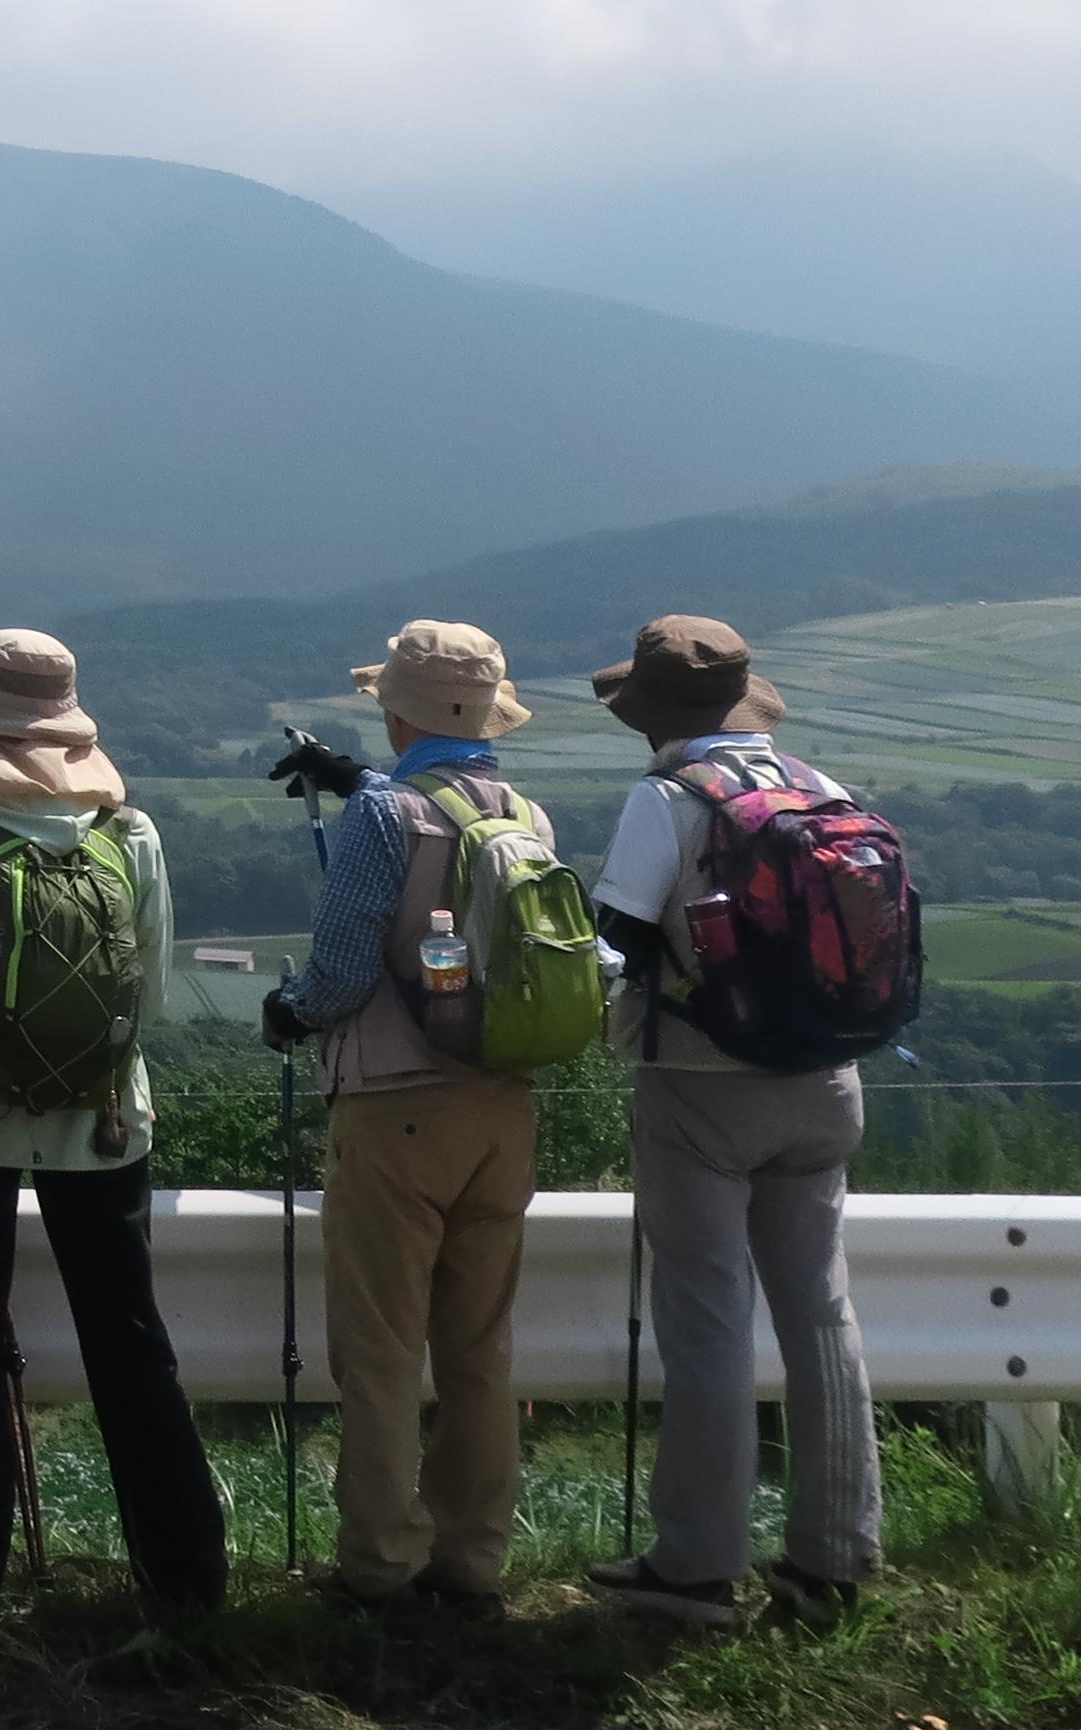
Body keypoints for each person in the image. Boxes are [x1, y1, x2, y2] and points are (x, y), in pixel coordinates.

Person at [0, 628, 229, 1615]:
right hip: (105, 1118)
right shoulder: (133, 833)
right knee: (127, 1335)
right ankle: (184, 1568)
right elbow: (147, 997)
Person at [581, 616, 883, 1631]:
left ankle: (696, 1569)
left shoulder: (665, 799)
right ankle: (832, 1562)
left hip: (703, 1085)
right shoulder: (819, 789)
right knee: (821, 1314)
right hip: (826, 1078)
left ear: (650, 714)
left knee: (708, 1321)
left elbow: (613, 942)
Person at [259, 621, 551, 1616]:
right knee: (478, 1349)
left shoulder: (379, 814)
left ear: (395, 712)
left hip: (394, 1109)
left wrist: (286, 1012)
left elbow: (339, 971)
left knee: (381, 1350)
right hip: (501, 1105)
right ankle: (471, 1563)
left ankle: (379, 1565)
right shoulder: (522, 812)